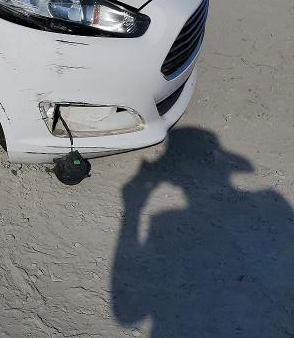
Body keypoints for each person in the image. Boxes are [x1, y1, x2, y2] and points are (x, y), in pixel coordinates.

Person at [112, 127, 294, 337]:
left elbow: (127, 314)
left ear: (174, 180)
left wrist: (133, 209)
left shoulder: (164, 222)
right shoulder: (273, 203)